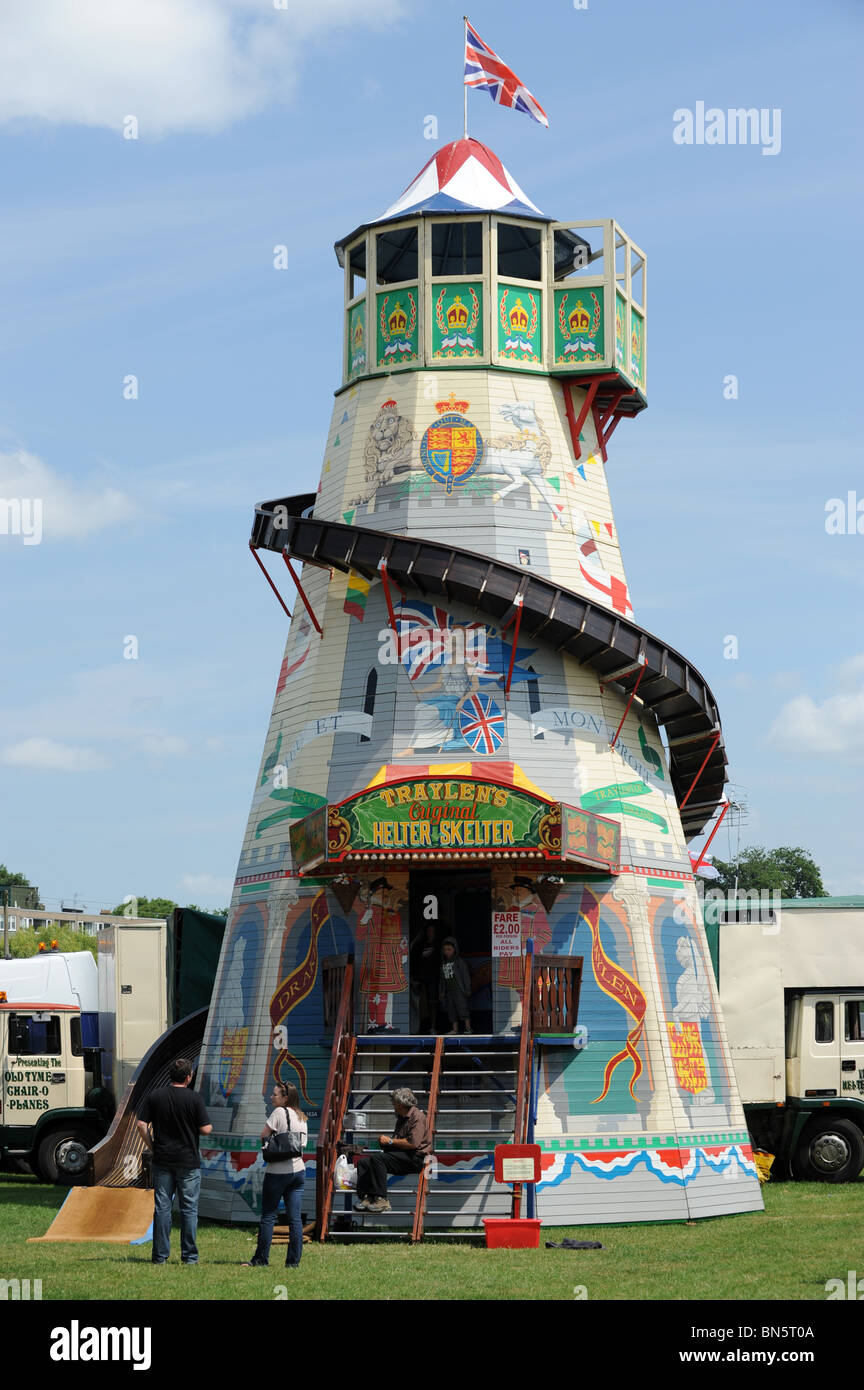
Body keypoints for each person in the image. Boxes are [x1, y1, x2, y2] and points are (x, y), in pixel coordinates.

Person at [136, 1057, 212, 1265]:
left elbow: (141, 1125)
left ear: (171, 1075)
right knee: (188, 1209)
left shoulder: (156, 1096)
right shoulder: (194, 1099)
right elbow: (206, 1129)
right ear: (188, 1077)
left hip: (162, 1159)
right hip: (188, 1160)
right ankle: (189, 1257)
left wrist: (152, 1146)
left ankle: (160, 1256)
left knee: (162, 1207)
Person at [242, 1081, 308, 1269]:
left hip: (278, 1172)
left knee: (268, 1216)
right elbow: (301, 1144)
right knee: (295, 1219)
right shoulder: (302, 1116)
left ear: (285, 1098)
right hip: (298, 1172)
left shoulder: (279, 1112)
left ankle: (261, 1259)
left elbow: (264, 1135)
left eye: (275, 1094)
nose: (271, 1097)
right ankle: (293, 1262)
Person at [353, 1087, 432, 1214]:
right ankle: (367, 1197)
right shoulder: (401, 1118)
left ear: (400, 1104)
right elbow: (398, 1142)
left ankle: (382, 1200)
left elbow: (413, 1143)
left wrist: (390, 1141)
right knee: (363, 1163)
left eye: (394, 1102)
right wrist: (386, 1144)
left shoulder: (417, 1117)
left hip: (416, 1158)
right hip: (403, 1155)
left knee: (377, 1159)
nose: (393, 1105)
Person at [439, 936, 472, 1035]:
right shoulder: (443, 964)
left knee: (463, 1009)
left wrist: (467, 989)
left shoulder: (459, 962)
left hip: (459, 990)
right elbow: (442, 980)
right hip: (449, 991)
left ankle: (468, 1028)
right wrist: (441, 992)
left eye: (449, 949)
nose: (447, 952)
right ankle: (455, 1029)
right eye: (445, 950)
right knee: (451, 1010)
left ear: (454, 950)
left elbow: (465, 976)